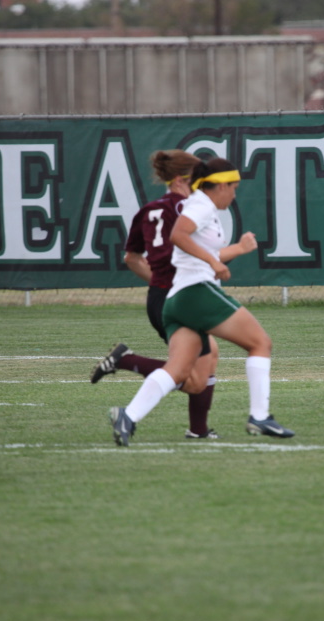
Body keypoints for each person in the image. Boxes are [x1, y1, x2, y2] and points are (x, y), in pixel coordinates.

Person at [109, 156, 294, 446]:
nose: (234, 194)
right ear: (218, 186)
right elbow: (178, 235)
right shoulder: (200, 204)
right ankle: (259, 416)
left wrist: (230, 252)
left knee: (181, 372)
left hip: (176, 299)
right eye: (232, 187)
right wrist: (213, 261)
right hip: (195, 292)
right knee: (260, 343)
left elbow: (190, 244)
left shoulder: (200, 206)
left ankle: (128, 416)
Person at [91, 149, 221, 439]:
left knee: (210, 353)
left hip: (162, 296)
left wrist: (161, 281)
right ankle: (125, 361)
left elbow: (131, 258)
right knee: (193, 379)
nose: (202, 188)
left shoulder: (148, 210)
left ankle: (199, 430)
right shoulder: (187, 210)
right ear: (179, 180)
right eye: (197, 181)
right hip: (181, 299)